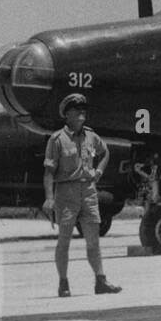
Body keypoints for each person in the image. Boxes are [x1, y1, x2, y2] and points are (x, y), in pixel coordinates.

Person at [43, 94, 121, 296]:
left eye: (83, 109)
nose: (81, 112)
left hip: (88, 191)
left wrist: (99, 172)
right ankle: (63, 283)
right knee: (64, 240)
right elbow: (49, 172)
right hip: (66, 192)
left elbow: (105, 153)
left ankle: (101, 281)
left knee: (93, 240)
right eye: (76, 109)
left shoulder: (91, 137)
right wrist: (49, 198)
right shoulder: (57, 139)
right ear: (66, 114)